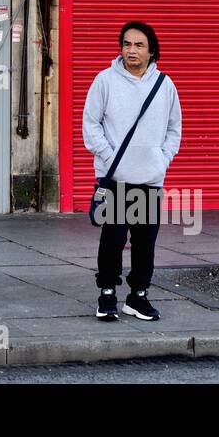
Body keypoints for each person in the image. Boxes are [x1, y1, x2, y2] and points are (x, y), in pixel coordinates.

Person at [82, 21, 182, 322]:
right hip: (115, 179)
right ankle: (107, 294)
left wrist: (161, 160)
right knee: (112, 240)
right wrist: (110, 156)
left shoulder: (164, 85)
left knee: (144, 243)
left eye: (139, 45)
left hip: (150, 178)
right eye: (127, 44)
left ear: (151, 50)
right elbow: (91, 125)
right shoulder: (105, 81)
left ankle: (138, 296)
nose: (132, 50)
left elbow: (174, 129)